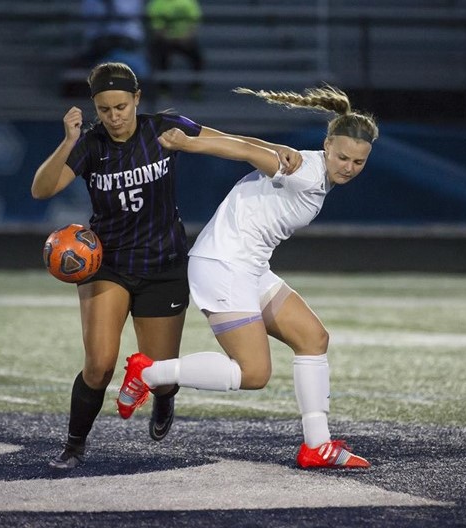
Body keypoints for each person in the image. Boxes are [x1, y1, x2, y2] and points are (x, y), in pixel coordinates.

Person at [30, 61, 302, 469]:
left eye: (121, 106)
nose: (114, 116)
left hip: (164, 264)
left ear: (137, 99)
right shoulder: (90, 145)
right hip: (109, 266)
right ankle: (74, 444)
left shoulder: (164, 128)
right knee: (100, 363)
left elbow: (225, 140)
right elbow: (41, 189)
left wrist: (271, 149)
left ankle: (164, 398)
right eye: (104, 110)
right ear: (94, 109)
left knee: (161, 371)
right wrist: (68, 141)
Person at [117, 85, 377, 469]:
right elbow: (244, 152)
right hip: (223, 265)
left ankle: (316, 446)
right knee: (253, 373)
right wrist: (189, 145)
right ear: (327, 145)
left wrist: (268, 147)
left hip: (247, 265)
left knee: (313, 337)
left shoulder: (310, 166)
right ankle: (148, 372)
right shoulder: (306, 171)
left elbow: (252, 145)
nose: (349, 167)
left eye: (359, 162)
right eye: (342, 157)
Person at [146, 0, 204, 99]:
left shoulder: (188, 2)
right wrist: (171, 39)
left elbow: (194, 25)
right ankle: (163, 90)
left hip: (185, 40)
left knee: (198, 58)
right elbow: (157, 30)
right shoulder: (156, 4)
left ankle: (196, 88)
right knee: (160, 56)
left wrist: (186, 37)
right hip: (165, 40)